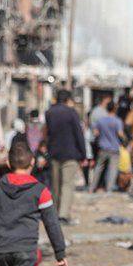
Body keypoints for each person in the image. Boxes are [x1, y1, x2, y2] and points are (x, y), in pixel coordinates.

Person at [45, 89, 87, 225]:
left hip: (54, 153)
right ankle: (63, 215)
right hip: (70, 153)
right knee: (67, 184)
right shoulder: (71, 113)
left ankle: (54, 213)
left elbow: (47, 133)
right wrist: (83, 154)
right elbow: (78, 134)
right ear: (68, 99)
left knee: (55, 185)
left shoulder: (50, 113)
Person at [91, 98, 126, 193]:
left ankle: (92, 187)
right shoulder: (117, 121)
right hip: (114, 149)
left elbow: (95, 133)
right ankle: (109, 189)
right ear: (115, 109)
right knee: (113, 169)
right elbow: (120, 134)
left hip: (102, 147)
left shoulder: (101, 120)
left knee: (98, 168)